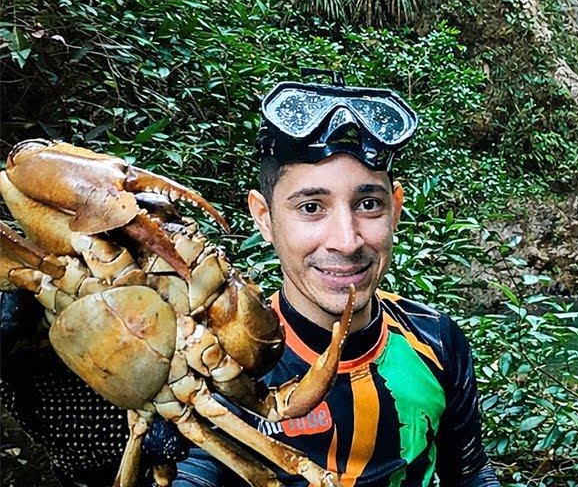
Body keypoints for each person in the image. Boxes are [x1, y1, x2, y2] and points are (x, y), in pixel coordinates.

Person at [175, 76, 500, 487]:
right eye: (311, 207)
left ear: (395, 209)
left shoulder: (436, 339)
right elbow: (195, 471)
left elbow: (469, 472)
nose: (347, 241)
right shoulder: (225, 358)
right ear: (264, 218)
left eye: (369, 205)